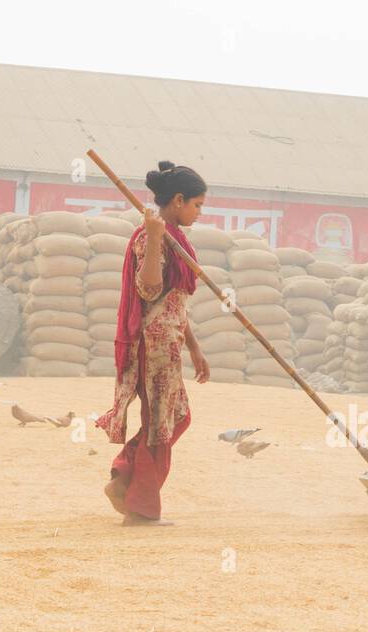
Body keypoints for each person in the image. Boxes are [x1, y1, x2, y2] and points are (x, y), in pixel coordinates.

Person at [96, 162, 211, 525]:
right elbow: (149, 289)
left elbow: (175, 300)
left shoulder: (176, 237)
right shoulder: (150, 237)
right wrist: (155, 236)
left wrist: (194, 346)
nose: (199, 212)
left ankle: (124, 477)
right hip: (153, 344)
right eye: (197, 205)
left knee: (175, 418)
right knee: (162, 423)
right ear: (178, 200)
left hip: (171, 342)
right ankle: (140, 508)